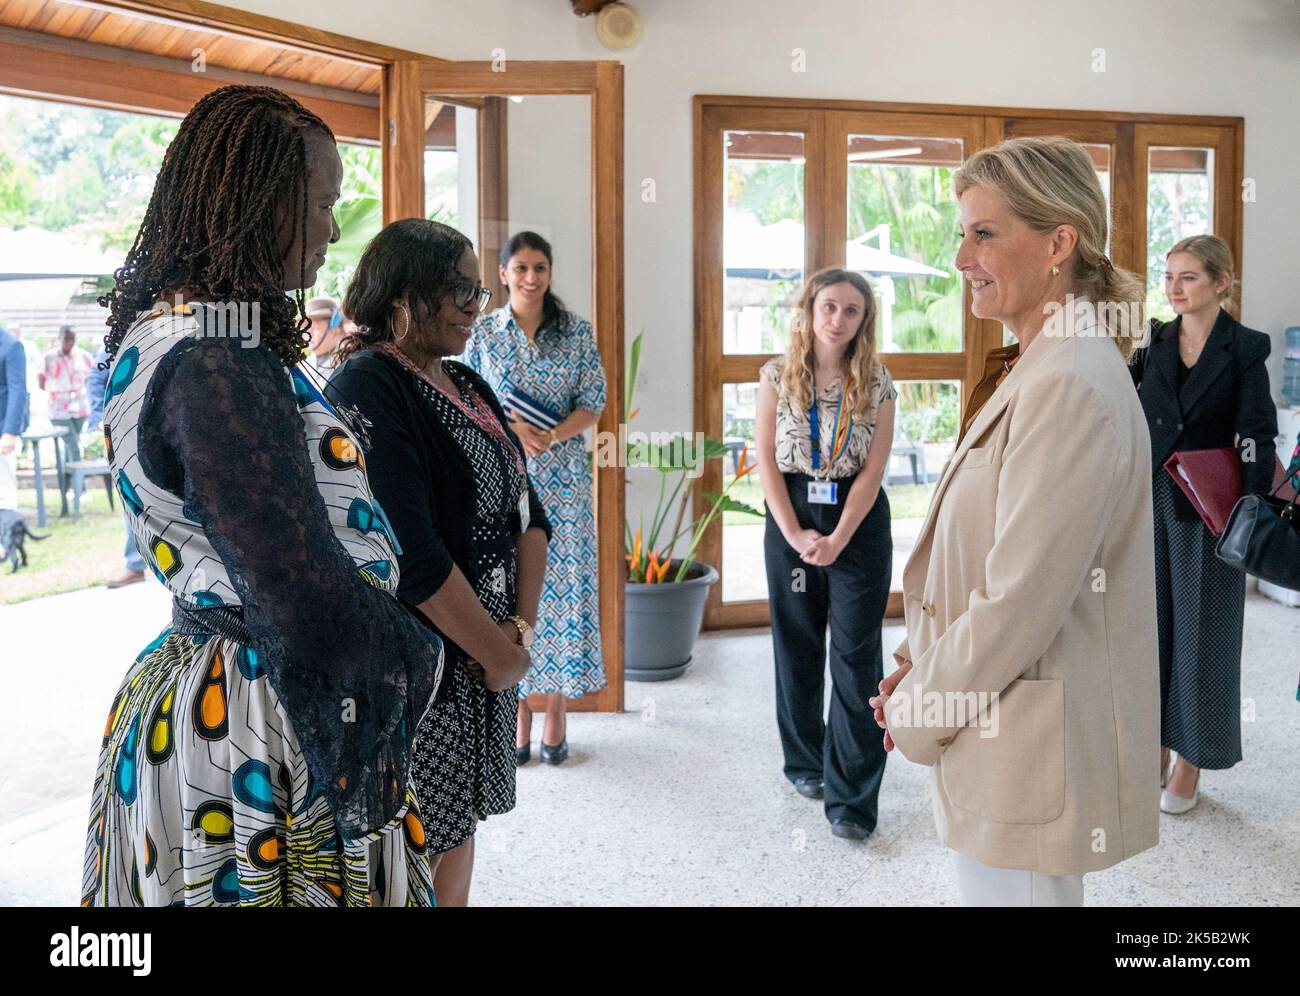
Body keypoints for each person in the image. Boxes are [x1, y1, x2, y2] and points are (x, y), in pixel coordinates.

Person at [82, 84, 444, 907]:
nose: (330, 229)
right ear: (255, 199)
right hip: (260, 710)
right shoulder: (215, 355)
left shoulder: (182, 331)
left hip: (228, 685)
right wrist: (413, 653)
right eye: (319, 204)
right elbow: (298, 594)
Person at [871, 136, 1159, 906]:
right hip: (999, 726)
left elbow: (1018, 603)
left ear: (1060, 242)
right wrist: (917, 664)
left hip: (1026, 747)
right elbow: (982, 559)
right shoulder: (1041, 362)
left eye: (983, 233)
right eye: (962, 233)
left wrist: (922, 705)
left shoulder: (1068, 382)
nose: (960, 256)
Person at [329, 218, 549, 906]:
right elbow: (411, 555)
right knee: (418, 840)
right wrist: (497, 654)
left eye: (476, 289)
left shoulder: (465, 380)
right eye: (456, 288)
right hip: (426, 665)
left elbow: (530, 512)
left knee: (458, 827)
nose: (472, 304)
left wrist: (520, 630)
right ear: (402, 294)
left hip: (487, 652)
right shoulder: (367, 385)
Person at [1130, 235, 1276, 815]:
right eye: (1169, 276)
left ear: (1221, 283)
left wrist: (1249, 514)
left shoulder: (1244, 348)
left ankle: (1192, 759)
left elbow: (1257, 436)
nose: (1174, 287)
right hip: (1153, 498)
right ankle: (1158, 745)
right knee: (1154, 627)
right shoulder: (1154, 341)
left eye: (1188, 277)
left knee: (1205, 636)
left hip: (1214, 505)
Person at [755, 267, 896, 842]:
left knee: (858, 655)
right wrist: (793, 535)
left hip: (856, 518)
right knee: (798, 643)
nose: (838, 319)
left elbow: (874, 470)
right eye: (829, 307)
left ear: (864, 321)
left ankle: (853, 800)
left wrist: (838, 539)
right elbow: (764, 458)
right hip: (791, 508)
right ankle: (806, 764)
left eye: (852, 310)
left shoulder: (879, 382)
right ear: (810, 311)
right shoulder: (776, 375)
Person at [463, 231, 607, 764]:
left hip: (565, 483)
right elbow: (466, 398)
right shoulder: (483, 334)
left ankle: (557, 711)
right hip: (505, 480)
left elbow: (594, 403)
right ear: (502, 274)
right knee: (514, 590)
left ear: (550, 272)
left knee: (563, 594)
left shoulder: (576, 333)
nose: (530, 277)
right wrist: (513, 429)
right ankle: (518, 711)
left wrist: (552, 433)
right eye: (519, 267)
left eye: (539, 267)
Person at [86, 347, 146, 587]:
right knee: (130, 494)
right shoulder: (118, 340)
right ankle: (135, 564)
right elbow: (96, 378)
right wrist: (100, 417)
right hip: (125, 432)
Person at [39, 325, 93, 469]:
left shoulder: (84, 356)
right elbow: (41, 380)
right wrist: (57, 390)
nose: (69, 342)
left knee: (72, 445)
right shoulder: (49, 357)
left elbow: (91, 378)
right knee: (73, 445)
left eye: (72, 339)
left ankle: (67, 485)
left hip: (80, 407)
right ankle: (80, 488)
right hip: (59, 409)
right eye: (66, 339)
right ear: (60, 338)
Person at [0, 320, 29, 511]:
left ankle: (7, 538)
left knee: (4, 487)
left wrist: (10, 432)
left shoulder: (11, 346)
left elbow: (18, 391)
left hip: (2, 430)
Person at [304, 295, 345, 379]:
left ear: (335, 331)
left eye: (315, 328)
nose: (308, 333)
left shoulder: (346, 364)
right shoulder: (307, 363)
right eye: (306, 328)